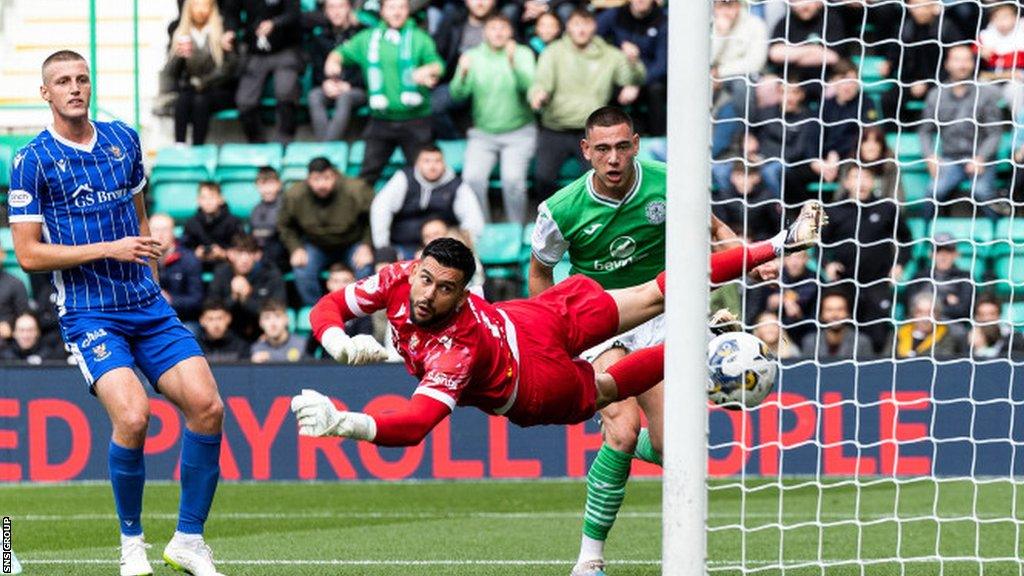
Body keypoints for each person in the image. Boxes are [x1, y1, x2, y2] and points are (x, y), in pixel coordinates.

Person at [291, 203, 822, 465]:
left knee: (652, 294)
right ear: (413, 271)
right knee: (611, 388)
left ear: (464, 292)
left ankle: (782, 241)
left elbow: (409, 421)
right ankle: (697, 346)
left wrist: (343, 409)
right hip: (530, 383)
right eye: (425, 280)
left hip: (526, 318)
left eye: (446, 288)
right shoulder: (435, 328)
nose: (428, 294)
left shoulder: (460, 332)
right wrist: (340, 366)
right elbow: (411, 421)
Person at [527, 107, 816, 576]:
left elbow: (715, 231)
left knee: (670, 448)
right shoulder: (560, 210)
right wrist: (549, 333)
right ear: (586, 152)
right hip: (602, 322)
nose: (613, 158)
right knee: (621, 429)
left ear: (637, 144)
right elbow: (540, 270)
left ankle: (625, 446)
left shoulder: (668, 182)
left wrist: (750, 257)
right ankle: (589, 558)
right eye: (602, 149)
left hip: (664, 315)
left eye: (622, 146)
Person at [8, 50, 225, 575]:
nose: (74, 88)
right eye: (62, 81)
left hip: (146, 305)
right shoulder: (31, 160)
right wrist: (109, 248)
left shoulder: (123, 139)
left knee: (208, 407)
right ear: (46, 93)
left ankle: (189, 540)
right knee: (133, 416)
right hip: (89, 313)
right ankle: (132, 545)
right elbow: (29, 254)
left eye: (82, 79)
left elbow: (138, 208)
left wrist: (148, 271)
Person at [529, 9, 646, 202]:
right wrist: (538, 94)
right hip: (556, 127)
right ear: (568, 27)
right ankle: (552, 221)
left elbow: (632, 77)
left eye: (586, 24)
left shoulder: (610, 54)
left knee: (604, 179)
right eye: (576, 24)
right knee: (543, 177)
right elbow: (541, 83)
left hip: (592, 130)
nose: (581, 29)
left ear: (594, 27)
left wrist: (633, 63)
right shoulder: (553, 52)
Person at [324, 0, 444, 185]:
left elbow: (437, 64)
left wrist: (428, 71)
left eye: (401, 7)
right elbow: (340, 53)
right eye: (391, 7)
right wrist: (333, 63)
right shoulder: (367, 39)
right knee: (366, 176)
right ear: (382, 11)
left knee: (424, 177)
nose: (397, 12)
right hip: (381, 120)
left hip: (416, 120)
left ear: (407, 11)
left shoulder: (420, 38)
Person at [450, 13, 537, 225]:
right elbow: (456, 95)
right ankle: (483, 226)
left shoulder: (522, 53)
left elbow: (531, 88)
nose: (498, 33)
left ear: (510, 32)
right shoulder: (473, 55)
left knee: (513, 181)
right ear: (484, 32)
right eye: (493, 28)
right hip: (483, 134)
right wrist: (462, 73)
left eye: (503, 28)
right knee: (472, 179)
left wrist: (513, 63)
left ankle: (516, 227)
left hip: (519, 132)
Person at [821, 165, 911, 352]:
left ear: (873, 182)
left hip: (877, 282)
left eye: (866, 177)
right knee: (845, 337)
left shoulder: (887, 208)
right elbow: (818, 244)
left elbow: (906, 239)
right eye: (855, 177)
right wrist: (827, 264)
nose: (861, 182)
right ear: (846, 182)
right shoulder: (834, 211)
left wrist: (900, 264)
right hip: (844, 283)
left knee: (877, 335)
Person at [918, 44, 1005, 220]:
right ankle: (926, 239)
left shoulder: (985, 93)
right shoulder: (936, 95)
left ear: (973, 63)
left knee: (981, 192)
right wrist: (930, 156)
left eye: (966, 60)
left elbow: (995, 132)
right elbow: (925, 131)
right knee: (932, 192)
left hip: (981, 159)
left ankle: (999, 233)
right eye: (957, 60)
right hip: (951, 158)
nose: (962, 65)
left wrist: (981, 157)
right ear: (947, 64)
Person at [277, 157, 376, 305]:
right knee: (302, 269)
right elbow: (284, 225)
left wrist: (367, 245)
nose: (321, 184)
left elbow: (375, 217)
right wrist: (295, 248)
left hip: (352, 242)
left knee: (365, 269)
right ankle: (318, 311)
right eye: (316, 179)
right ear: (308, 180)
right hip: (316, 245)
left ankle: (359, 314)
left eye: (326, 178)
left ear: (335, 176)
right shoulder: (295, 195)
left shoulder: (356, 189)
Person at [370, 144, 485, 258]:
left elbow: (473, 220)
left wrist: (461, 250)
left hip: (442, 250)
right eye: (427, 161)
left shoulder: (457, 185)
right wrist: (383, 247)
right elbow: (381, 208)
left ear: (444, 163)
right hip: (403, 245)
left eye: (437, 161)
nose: (432, 166)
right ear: (417, 163)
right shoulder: (404, 178)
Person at [224, 0, 304, 143]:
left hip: (285, 49)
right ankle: (257, 145)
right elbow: (231, 12)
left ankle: (285, 142)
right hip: (256, 52)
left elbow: (294, 13)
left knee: (286, 91)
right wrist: (230, 30)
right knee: (244, 101)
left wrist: (275, 23)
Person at [162, 0, 237, 145]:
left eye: (205, 5)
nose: (201, 10)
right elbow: (170, 73)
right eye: (196, 5)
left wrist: (203, 82)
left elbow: (229, 69)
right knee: (182, 100)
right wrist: (178, 56)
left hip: (218, 89)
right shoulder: (179, 32)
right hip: (192, 89)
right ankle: (180, 145)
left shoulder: (223, 29)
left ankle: (198, 147)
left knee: (200, 101)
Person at [596, 0, 667, 135]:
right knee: (602, 82)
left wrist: (637, 82)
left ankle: (658, 136)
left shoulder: (662, 20)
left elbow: (661, 64)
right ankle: (604, 134)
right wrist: (614, 52)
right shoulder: (615, 15)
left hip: (648, 79)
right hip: (619, 74)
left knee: (656, 90)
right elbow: (593, 37)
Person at [431, 0, 497, 139]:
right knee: (434, 104)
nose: (480, 2)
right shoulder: (454, 24)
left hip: (493, 87)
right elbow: (438, 52)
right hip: (458, 83)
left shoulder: (502, 26)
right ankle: (456, 140)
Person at [207, 233, 286, 342]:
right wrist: (233, 297)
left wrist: (247, 298)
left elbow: (278, 309)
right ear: (230, 254)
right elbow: (211, 309)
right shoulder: (221, 273)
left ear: (257, 255)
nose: (244, 259)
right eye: (239, 253)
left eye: (249, 253)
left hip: (262, 335)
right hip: (229, 336)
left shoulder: (271, 274)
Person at [307, 0, 367, 142]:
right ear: (326, 12)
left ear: (349, 9)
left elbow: (367, 68)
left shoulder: (361, 34)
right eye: (332, 7)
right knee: (314, 95)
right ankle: (326, 144)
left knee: (344, 98)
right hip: (331, 87)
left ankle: (326, 147)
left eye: (341, 6)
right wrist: (325, 83)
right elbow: (317, 70)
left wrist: (349, 85)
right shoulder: (320, 37)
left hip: (357, 89)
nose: (336, 11)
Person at [903, 233, 974, 321]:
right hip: (919, 323)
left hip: (950, 325)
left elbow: (964, 310)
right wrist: (945, 300)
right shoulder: (920, 276)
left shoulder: (964, 277)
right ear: (931, 255)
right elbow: (909, 305)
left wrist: (926, 308)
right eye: (938, 251)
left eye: (948, 252)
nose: (943, 256)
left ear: (956, 254)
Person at [150, 212, 205, 325]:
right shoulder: (141, 260)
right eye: (155, 230)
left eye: (165, 229)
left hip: (183, 320)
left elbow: (197, 300)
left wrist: (170, 300)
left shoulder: (189, 259)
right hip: (150, 320)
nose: (160, 235)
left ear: (173, 232)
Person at [181, 181, 245, 272]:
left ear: (221, 199)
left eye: (212, 197)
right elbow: (183, 248)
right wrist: (195, 253)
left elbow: (242, 249)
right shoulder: (191, 223)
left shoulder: (233, 222)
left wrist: (223, 253)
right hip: (197, 265)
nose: (208, 201)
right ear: (198, 201)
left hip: (226, 266)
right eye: (204, 198)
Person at [800, 290, 874, 362]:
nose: (835, 315)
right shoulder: (810, 342)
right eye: (829, 310)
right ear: (821, 315)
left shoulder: (862, 342)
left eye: (840, 309)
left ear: (848, 314)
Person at [893, 291, 969, 359]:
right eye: (920, 312)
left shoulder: (948, 337)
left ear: (938, 315)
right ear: (913, 313)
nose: (925, 318)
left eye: (930, 313)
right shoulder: (898, 334)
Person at [249, 166, 288, 271]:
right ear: (257, 186)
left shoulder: (287, 205)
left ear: (279, 184)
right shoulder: (256, 210)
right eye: (262, 184)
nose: (267, 189)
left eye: (270, 184)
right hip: (262, 253)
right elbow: (253, 235)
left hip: (282, 254)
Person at [970, 293, 1024, 360]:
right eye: (983, 315)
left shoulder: (1013, 337)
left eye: (992, 314)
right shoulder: (969, 338)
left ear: (999, 315)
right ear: (977, 317)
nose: (987, 319)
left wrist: (981, 349)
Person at [0, 312, 65, 365]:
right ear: (14, 333)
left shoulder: (50, 356)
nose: (26, 335)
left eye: (30, 330)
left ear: (38, 332)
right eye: (21, 330)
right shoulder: (4, 357)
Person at [0, 245, 30, 341]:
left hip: (6, 342)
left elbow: (24, 317)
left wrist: (11, 327)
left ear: (2, 255)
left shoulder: (15, 284)